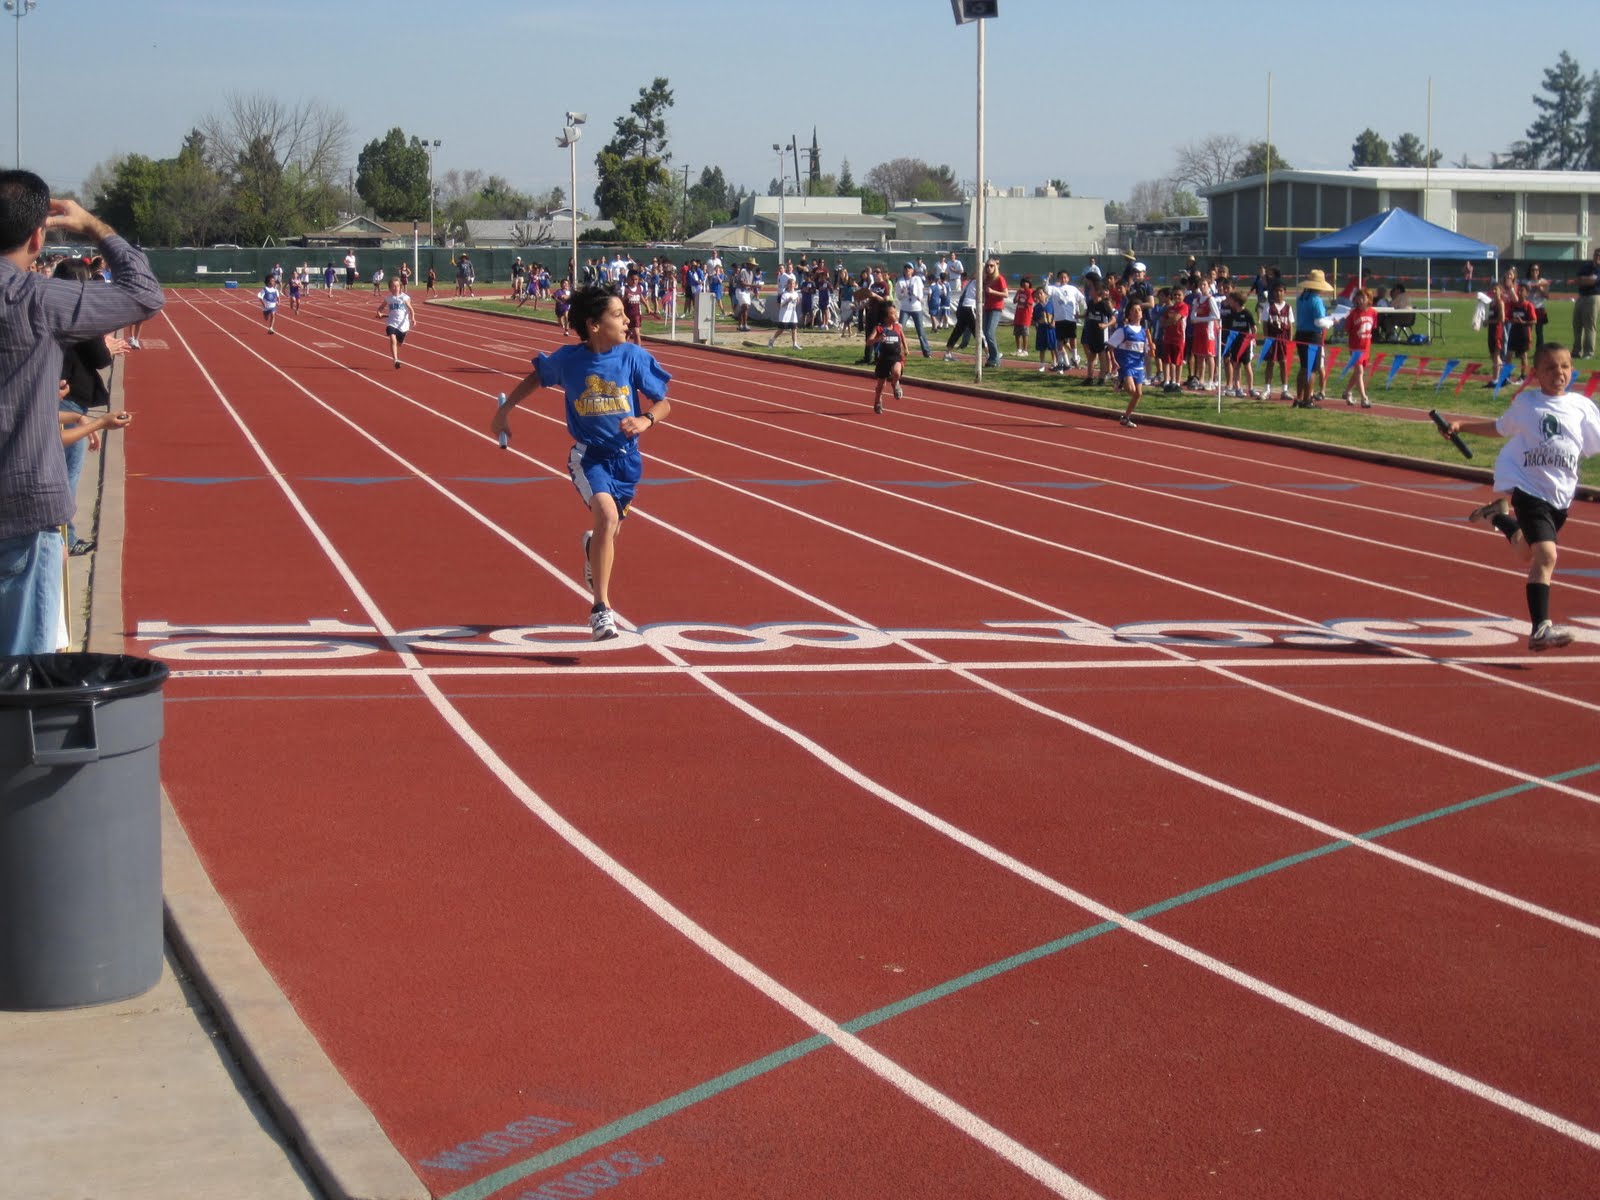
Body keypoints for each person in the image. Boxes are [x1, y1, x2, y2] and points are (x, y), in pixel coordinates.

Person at [0, 172, 163, 654]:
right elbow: (144, 294)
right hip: (21, 507)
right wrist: (94, 227)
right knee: (20, 679)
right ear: (38, 236)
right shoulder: (34, 300)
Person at [490, 284, 671, 642]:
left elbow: (664, 402)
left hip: (629, 461)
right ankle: (601, 609)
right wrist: (505, 411)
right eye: (617, 315)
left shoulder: (632, 356)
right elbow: (536, 378)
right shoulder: (569, 361)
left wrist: (646, 419)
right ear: (594, 325)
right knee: (605, 517)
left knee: (611, 530)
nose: (626, 320)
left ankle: (592, 549)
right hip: (590, 458)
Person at [1442, 343, 1600, 652]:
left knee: (1528, 553)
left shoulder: (1581, 406)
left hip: (1560, 497)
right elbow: (1500, 429)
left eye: (1565, 366)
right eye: (1551, 367)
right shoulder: (1528, 404)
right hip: (1528, 489)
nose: (1560, 373)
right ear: (1536, 373)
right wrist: (1462, 426)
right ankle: (1540, 629)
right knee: (1547, 556)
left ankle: (1496, 517)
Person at [1293, 269, 1335, 408]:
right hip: (1312, 336)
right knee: (1312, 369)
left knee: (1304, 367)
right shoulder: (1316, 300)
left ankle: (1298, 397)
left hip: (1301, 333)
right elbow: (1319, 322)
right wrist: (1332, 321)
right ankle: (1307, 399)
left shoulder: (1302, 298)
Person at [1106, 301, 1149, 429]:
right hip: (1126, 364)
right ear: (1129, 314)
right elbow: (1110, 346)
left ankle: (1126, 417)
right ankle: (1121, 380)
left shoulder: (1144, 332)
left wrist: (1152, 349)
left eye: (1139, 310)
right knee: (1131, 390)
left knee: (1138, 394)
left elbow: (1147, 351)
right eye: (1134, 310)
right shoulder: (1123, 330)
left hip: (1139, 365)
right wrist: (1113, 361)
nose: (1137, 313)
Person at [867, 300, 907, 414]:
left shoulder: (898, 327)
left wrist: (906, 348)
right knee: (881, 384)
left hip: (896, 357)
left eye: (896, 313)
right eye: (893, 314)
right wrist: (877, 339)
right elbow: (868, 342)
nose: (896, 315)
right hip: (883, 358)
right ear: (885, 317)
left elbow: (902, 337)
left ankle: (895, 383)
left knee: (897, 373)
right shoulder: (879, 329)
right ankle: (878, 400)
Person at [1340, 288, 1377, 408]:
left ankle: (1347, 392)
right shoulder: (1353, 314)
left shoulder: (1373, 312)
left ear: (1368, 299)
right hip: (1355, 347)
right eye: (1358, 298)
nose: (1360, 300)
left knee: (1357, 372)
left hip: (1366, 347)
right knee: (1360, 371)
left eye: (1363, 298)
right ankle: (1364, 398)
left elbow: (1373, 328)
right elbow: (1347, 329)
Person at [1259, 283, 1294, 401]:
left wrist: (1290, 340)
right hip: (1272, 338)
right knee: (1270, 363)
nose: (1278, 293)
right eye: (1276, 291)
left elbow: (1290, 324)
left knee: (1283, 363)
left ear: (1284, 292)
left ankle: (1285, 389)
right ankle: (1267, 389)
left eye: (1281, 291)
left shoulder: (1288, 307)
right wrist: (1266, 337)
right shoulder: (1269, 306)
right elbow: (1265, 323)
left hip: (1283, 338)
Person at [377, 276, 416, 368]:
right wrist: (379, 312)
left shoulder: (405, 298)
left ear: (400, 287)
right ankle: (395, 360)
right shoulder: (388, 298)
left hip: (403, 324)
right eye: (393, 286)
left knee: (399, 344)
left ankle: (398, 348)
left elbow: (411, 309)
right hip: (391, 323)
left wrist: (413, 318)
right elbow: (381, 307)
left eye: (397, 286)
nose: (395, 288)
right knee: (393, 340)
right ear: (390, 288)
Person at [894, 262, 931, 357]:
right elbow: (898, 296)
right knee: (899, 329)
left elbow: (920, 292)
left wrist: (916, 294)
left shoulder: (917, 279)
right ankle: (897, 349)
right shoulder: (900, 281)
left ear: (912, 270)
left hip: (916, 307)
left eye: (909, 268)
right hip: (905, 308)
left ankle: (926, 352)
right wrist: (903, 293)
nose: (907, 270)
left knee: (920, 331)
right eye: (906, 268)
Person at [1572, 248, 1599, 359]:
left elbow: (1593, 281)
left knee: (1589, 325)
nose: (1597, 257)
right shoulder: (1586, 266)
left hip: (1594, 297)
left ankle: (1589, 352)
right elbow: (1577, 280)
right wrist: (1586, 279)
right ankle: (1577, 351)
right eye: (1596, 254)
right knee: (1577, 324)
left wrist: (1585, 280)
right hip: (1581, 296)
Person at [981, 258, 1007, 369]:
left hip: (996, 308)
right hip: (987, 307)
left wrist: (993, 292)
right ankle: (992, 358)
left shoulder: (999, 279)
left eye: (992, 265)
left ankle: (995, 357)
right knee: (985, 333)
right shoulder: (986, 279)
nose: (989, 267)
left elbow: (1005, 294)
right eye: (987, 266)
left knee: (989, 332)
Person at [767, 276, 801, 349]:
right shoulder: (784, 294)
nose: (792, 285)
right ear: (788, 285)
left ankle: (794, 344)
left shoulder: (796, 293)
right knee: (781, 330)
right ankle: (771, 340)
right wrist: (788, 300)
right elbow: (781, 305)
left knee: (794, 329)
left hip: (792, 314)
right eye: (791, 284)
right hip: (785, 314)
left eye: (793, 284)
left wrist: (798, 301)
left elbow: (796, 303)